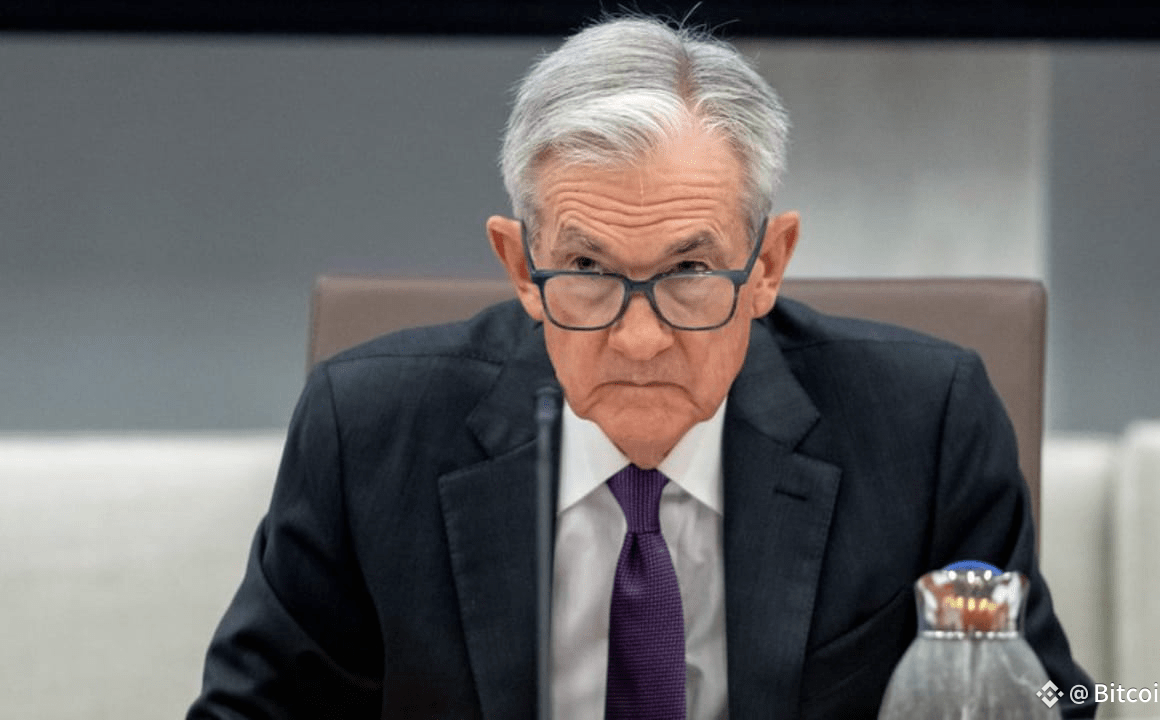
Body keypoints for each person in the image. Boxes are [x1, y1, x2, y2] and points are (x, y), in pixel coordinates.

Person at [189, 15, 1095, 720]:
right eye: (586, 269)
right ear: (520, 267)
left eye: (690, 270)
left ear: (767, 266)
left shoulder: (925, 430)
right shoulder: (367, 433)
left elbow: (1045, 704)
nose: (638, 338)